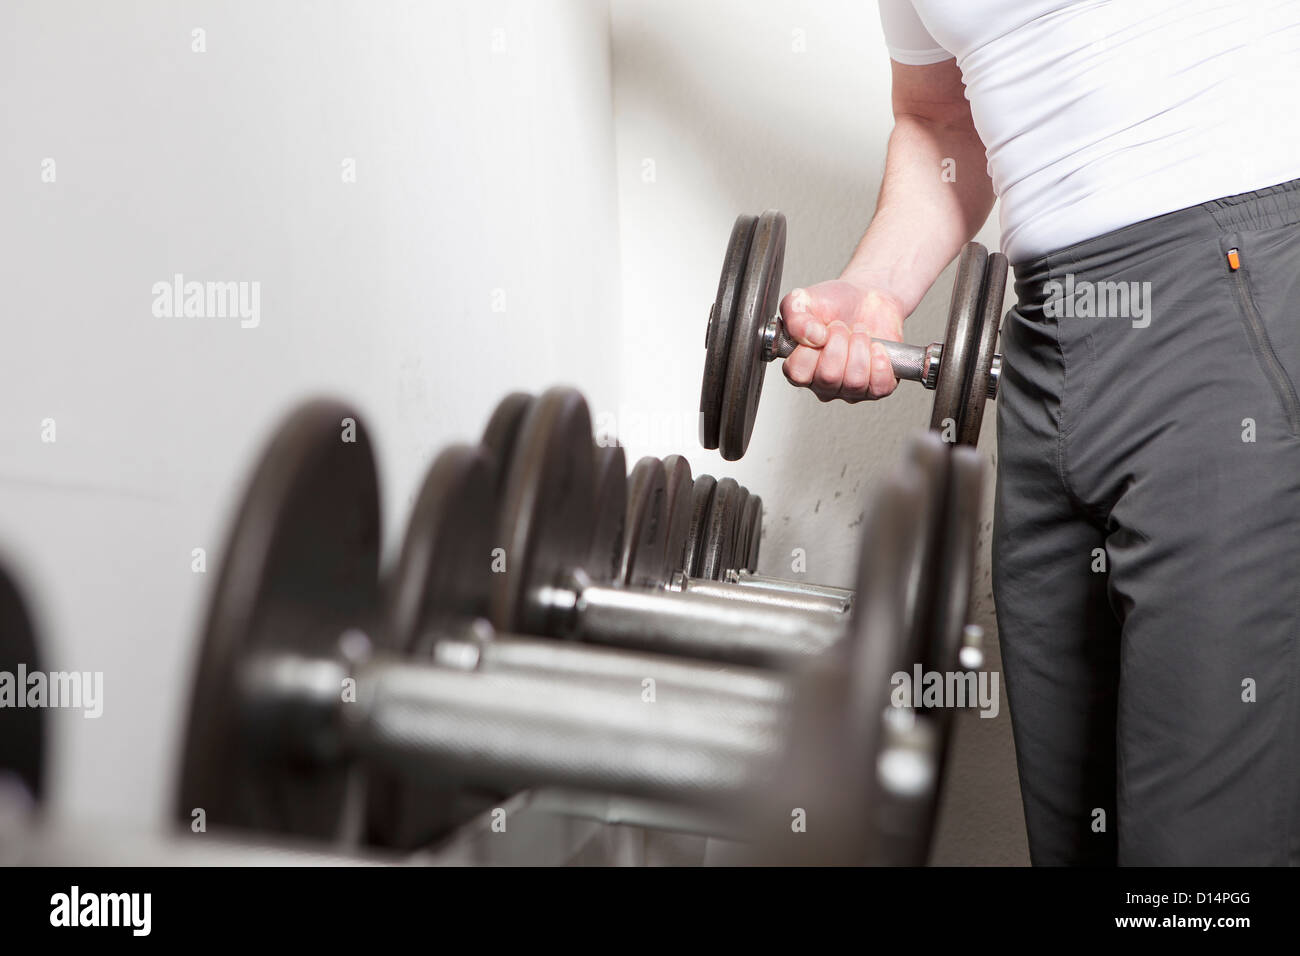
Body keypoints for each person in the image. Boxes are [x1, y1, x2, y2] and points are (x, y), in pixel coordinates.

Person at [779, 0, 1300, 866]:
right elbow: (938, 115)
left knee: (1203, 869)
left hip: (1231, 289)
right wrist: (875, 290)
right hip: (1046, 336)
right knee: (1077, 841)